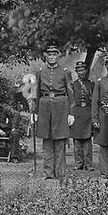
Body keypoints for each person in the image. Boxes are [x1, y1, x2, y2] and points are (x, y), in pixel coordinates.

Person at [34, 44, 73, 180]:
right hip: (44, 106)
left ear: (58, 56)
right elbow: (37, 92)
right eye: (49, 55)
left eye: (54, 54)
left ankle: (60, 173)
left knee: (60, 140)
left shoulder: (65, 71)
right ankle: (47, 173)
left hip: (61, 106)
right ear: (46, 56)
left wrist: (71, 113)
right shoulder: (41, 71)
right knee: (47, 141)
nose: (51, 57)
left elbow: (70, 92)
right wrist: (35, 111)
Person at [68, 60, 96, 171]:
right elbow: (70, 101)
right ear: (76, 72)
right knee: (77, 140)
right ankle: (78, 163)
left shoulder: (91, 84)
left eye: (83, 70)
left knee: (87, 140)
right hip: (77, 113)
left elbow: (94, 100)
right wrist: (70, 114)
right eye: (79, 70)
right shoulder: (73, 85)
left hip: (87, 113)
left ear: (86, 70)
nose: (81, 72)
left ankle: (88, 164)